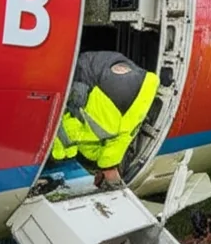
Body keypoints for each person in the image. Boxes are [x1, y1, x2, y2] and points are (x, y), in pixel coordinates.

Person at [51, 50, 159, 189]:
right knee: (77, 103)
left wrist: (111, 176)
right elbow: (108, 162)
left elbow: (113, 155)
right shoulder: (86, 135)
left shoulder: (104, 137)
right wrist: (110, 175)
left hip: (142, 85)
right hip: (108, 76)